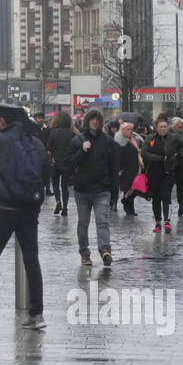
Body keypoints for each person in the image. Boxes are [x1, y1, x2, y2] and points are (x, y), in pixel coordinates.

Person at [0, 112, 49, 328]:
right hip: (30, 207)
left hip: (7, 207)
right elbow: (45, 172)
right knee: (32, 260)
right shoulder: (35, 143)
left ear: (2, 121)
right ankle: (37, 314)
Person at [64, 109, 121, 265]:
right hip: (82, 191)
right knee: (83, 223)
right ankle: (85, 254)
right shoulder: (78, 140)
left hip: (102, 190)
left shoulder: (107, 141)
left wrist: (114, 187)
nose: (95, 122)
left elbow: (113, 165)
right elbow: (69, 163)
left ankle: (105, 249)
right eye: (92, 119)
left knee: (102, 220)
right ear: (87, 121)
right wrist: (82, 151)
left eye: (97, 119)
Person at [142, 119, 179, 232]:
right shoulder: (151, 139)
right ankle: (158, 222)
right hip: (153, 173)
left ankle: (167, 220)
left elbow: (180, 150)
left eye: (165, 126)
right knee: (156, 198)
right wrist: (160, 158)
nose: (163, 129)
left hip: (168, 172)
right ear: (156, 128)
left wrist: (175, 155)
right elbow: (145, 153)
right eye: (161, 127)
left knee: (165, 196)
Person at [46, 111, 74, 216]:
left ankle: (58, 202)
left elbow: (48, 149)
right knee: (64, 186)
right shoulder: (71, 133)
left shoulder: (53, 132)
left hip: (56, 162)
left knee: (55, 184)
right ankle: (65, 208)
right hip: (67, 163)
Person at [114, 120, 143, 215]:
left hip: (134, 168)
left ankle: (127, 204)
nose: (130, 131)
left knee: (133, 189)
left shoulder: (132, 139)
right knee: (129, 189)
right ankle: (129, 209)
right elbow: (118, 157)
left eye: (131, 129)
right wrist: (120, 169)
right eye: (128, 129)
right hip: (126, 170)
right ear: (122, 130)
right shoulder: (120, 142)